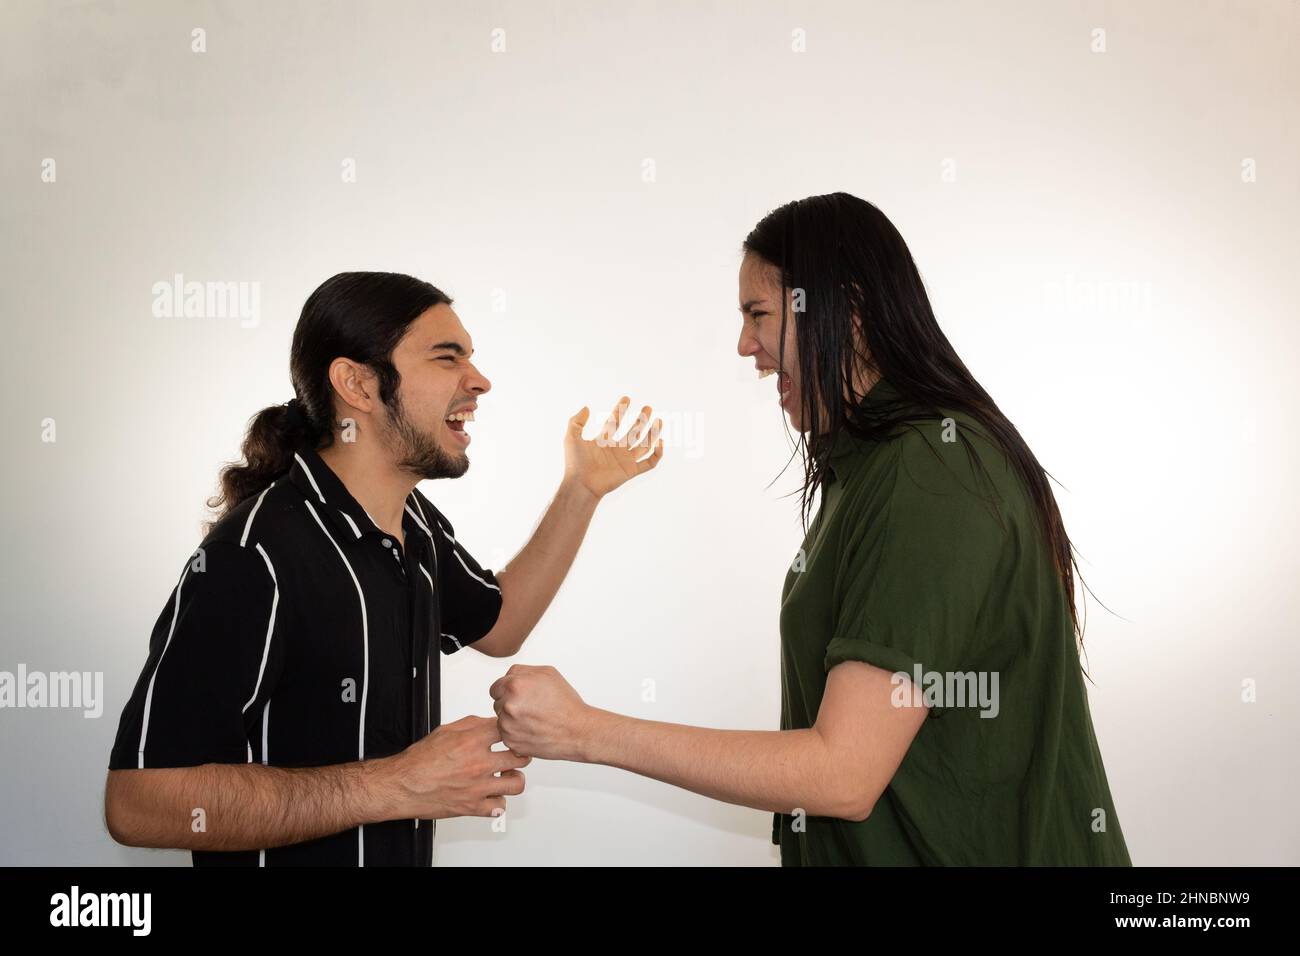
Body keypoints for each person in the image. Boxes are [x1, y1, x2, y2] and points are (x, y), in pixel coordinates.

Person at [490, 193, 1133, 866]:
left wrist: (585, 732)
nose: (744, 347)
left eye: (758, 315)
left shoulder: (932, 469)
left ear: (849, 312)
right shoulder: (872, 464)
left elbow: (841, 774)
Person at [103, 270, 663, 865]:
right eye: (447, 358)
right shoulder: (254, 555)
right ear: (357, 384)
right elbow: (140, 801)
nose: (479, 381)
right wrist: (400, 784)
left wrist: (581, 490)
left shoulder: (414, 523)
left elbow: (500, 625)